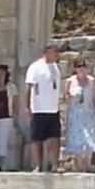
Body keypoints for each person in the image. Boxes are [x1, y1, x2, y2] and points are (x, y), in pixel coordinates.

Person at [26, 45, 63, 173]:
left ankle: (54, 165)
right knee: (37, 139)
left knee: (54, 137)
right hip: (38, 108)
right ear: (46, 53)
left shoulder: (56, 67)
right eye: (54, 53)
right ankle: (37, 165)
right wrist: (28, 106)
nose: (56, 55)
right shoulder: (35, 67)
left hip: (53, 108)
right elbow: (29, 87)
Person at [64, 58, 95, 173]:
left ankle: (88, 164)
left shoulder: (92, 81)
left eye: (84, 67)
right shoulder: (70, 81)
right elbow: (65, 97)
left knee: (89, 139)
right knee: (77, 140)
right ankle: (80, 166)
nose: (82, 69)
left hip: (88, 112)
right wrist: (72, 97)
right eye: (79, 67)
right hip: (76, 113)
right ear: (75, 68)